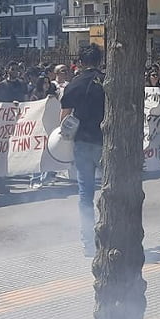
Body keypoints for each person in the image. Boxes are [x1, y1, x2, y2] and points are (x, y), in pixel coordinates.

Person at [59, 44, 105, 257]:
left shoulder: (74, 84)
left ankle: (88, 242)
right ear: (100, 60)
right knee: (110, 189)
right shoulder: (106, 81)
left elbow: (64, 119)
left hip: (82, 143)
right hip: (105, 141)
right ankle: (109, 234)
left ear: (80, 62)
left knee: (85, 193)